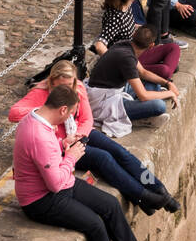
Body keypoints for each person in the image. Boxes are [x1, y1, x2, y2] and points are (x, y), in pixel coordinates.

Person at [13, 84, 167, 241]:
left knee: (111, 205)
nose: (71, 119)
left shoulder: (36, 117)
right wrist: (71, 156)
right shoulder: (38, 135)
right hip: (41, 199)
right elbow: (55, 184)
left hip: (60, 183)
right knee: (95, 225)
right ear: (63, 109)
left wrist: (62, 143)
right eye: (72, 113)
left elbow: (48, 158)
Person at [9, 60, 179, 215]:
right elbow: (14, 113)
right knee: (103, 158)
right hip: (60, 146)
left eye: (70, 84)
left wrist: (79, 135)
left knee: (120, 152)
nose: (67, 90)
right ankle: (142, 197)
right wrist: (48, 108)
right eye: (62, 86)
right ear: (52, 83)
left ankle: (160, 190)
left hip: (80, 133)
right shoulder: (40, 93)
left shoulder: (79, 88)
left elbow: (87, 119)